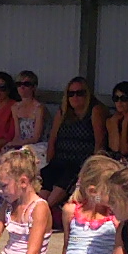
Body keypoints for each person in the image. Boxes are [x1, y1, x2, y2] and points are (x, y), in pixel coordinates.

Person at [0, 70, 48, 211]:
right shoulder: (15, 107)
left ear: (34, 87)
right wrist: (11, 144)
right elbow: (17, 135)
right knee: (0, 160)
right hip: (21, 144)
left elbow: (36, 136)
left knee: (24, 157)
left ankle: (21, 200)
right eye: (19, 84)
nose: (22, 88)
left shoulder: (39, 108)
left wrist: (17, 144)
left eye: (26, 84)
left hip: (37, 146)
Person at [40, 77, 107, 210]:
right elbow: (53, 138)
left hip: (80, 161)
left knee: (67, 177)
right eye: (71, 93)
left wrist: (93, 168)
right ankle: (38, 209)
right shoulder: (63, 112)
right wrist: (50, 160)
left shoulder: (94, 111)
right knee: (48, 175)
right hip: (60, 158)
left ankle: (44, 211)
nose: (75, 97)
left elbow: (100, 141)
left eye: (79, 93)